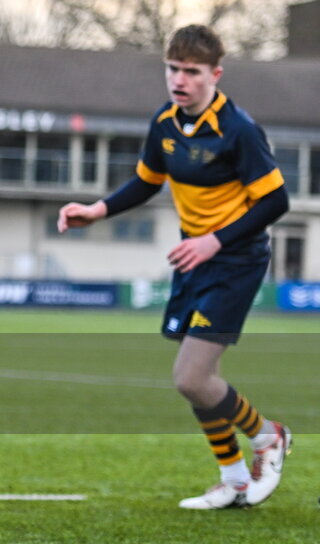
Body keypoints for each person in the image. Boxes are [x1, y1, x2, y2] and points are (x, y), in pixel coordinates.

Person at [57, 24, 291, 510]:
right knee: (196, 381)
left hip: (236, 259)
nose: (180, 79)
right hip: (195, 258)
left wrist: (214, 241)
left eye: (192, 72)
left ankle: (269, 437)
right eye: (173, 69)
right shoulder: (164, 123)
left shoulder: (239, 130)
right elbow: (146, 183)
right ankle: (233, 479)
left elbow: (275, 202)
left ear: (215, 75)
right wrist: (96, 210)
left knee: (191, 377)